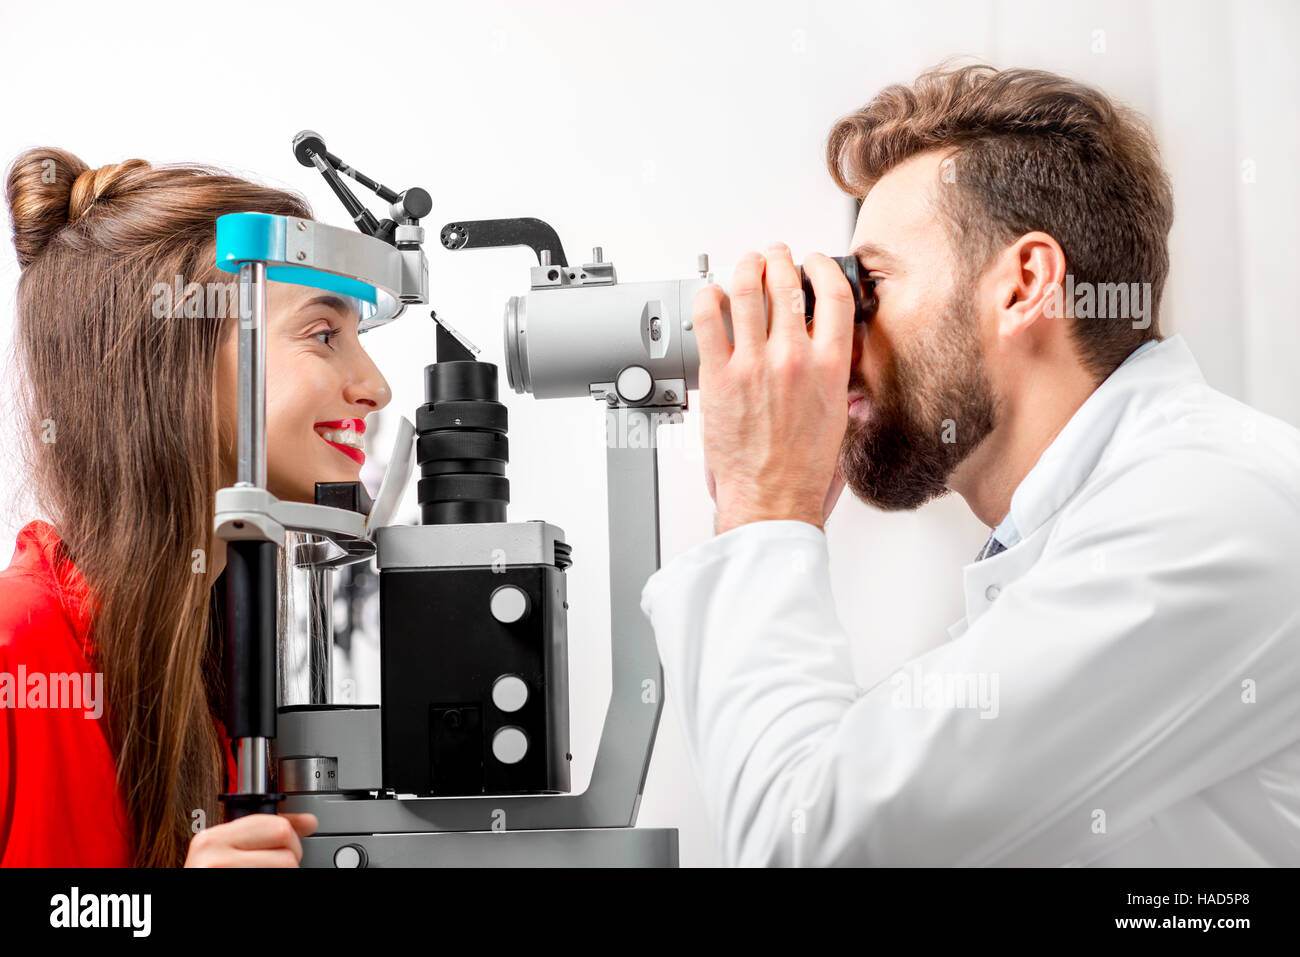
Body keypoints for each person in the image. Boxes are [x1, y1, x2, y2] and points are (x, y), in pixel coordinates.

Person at [641, 64, 1300, 865]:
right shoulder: (1082, 534)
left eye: (869, 286)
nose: (843, 335)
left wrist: (762, 507)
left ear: (1024, 285)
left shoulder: (1207, 508)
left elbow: (808, 846)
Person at [0, 148, 392, 866]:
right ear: (178, 355)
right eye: (323, 333)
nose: (375, 385)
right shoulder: (15, 648)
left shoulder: (222, 693)